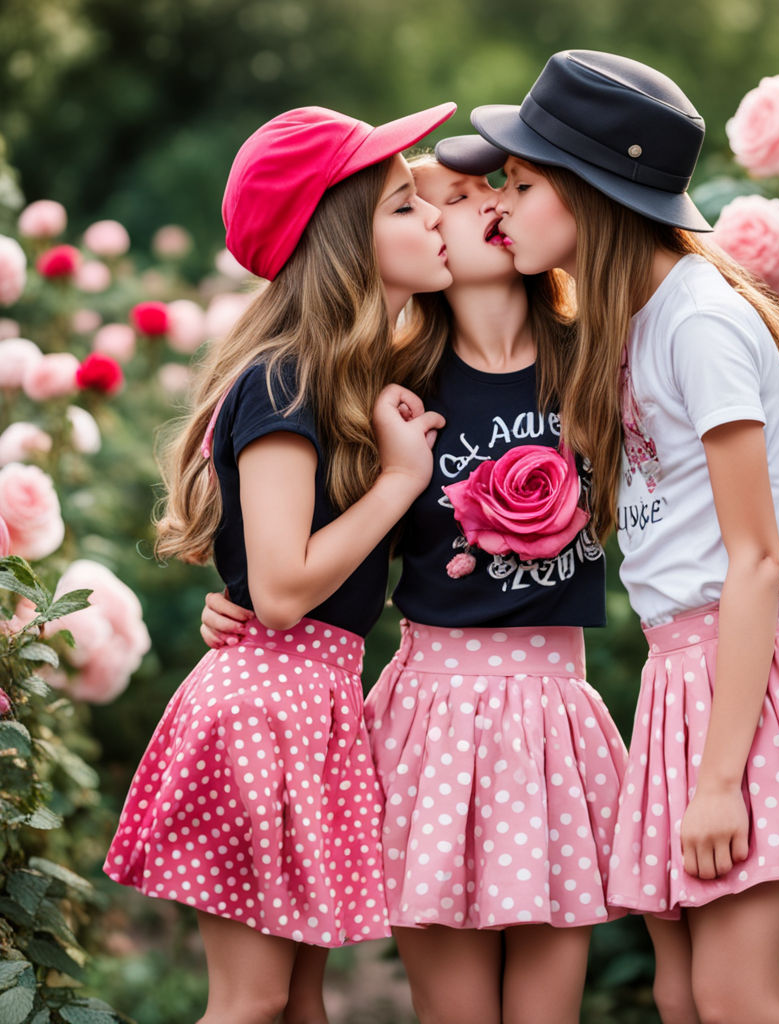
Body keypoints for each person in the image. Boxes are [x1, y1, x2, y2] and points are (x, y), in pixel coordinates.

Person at [199, 146, 779, 1024]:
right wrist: (245, 600)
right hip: (432, 714)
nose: (481, 208)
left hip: (554, 716)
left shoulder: (602, 360)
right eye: (445, 203)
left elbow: (695, 498)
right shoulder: (391, 390)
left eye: (492, 190)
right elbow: (310, 539)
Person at [441, 50, 779, 1024]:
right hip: (681, 674)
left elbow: (751, 556)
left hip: (729, 681)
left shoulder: (699, 322)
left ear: (590, 194)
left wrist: (722, 779)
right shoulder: (637, 322)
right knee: (683, 991)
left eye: (521, 186)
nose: (500, 207)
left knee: (734, 991)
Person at [103, 102, 456, 1024]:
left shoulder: (343, 378)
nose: (433, 224)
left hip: (311, 702)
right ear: (342, 238)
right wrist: (400, 481)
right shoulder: (283, 378)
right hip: (264, 710)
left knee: (302, 1003)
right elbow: (282, 589)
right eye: (404, 208)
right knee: (255, 1000)